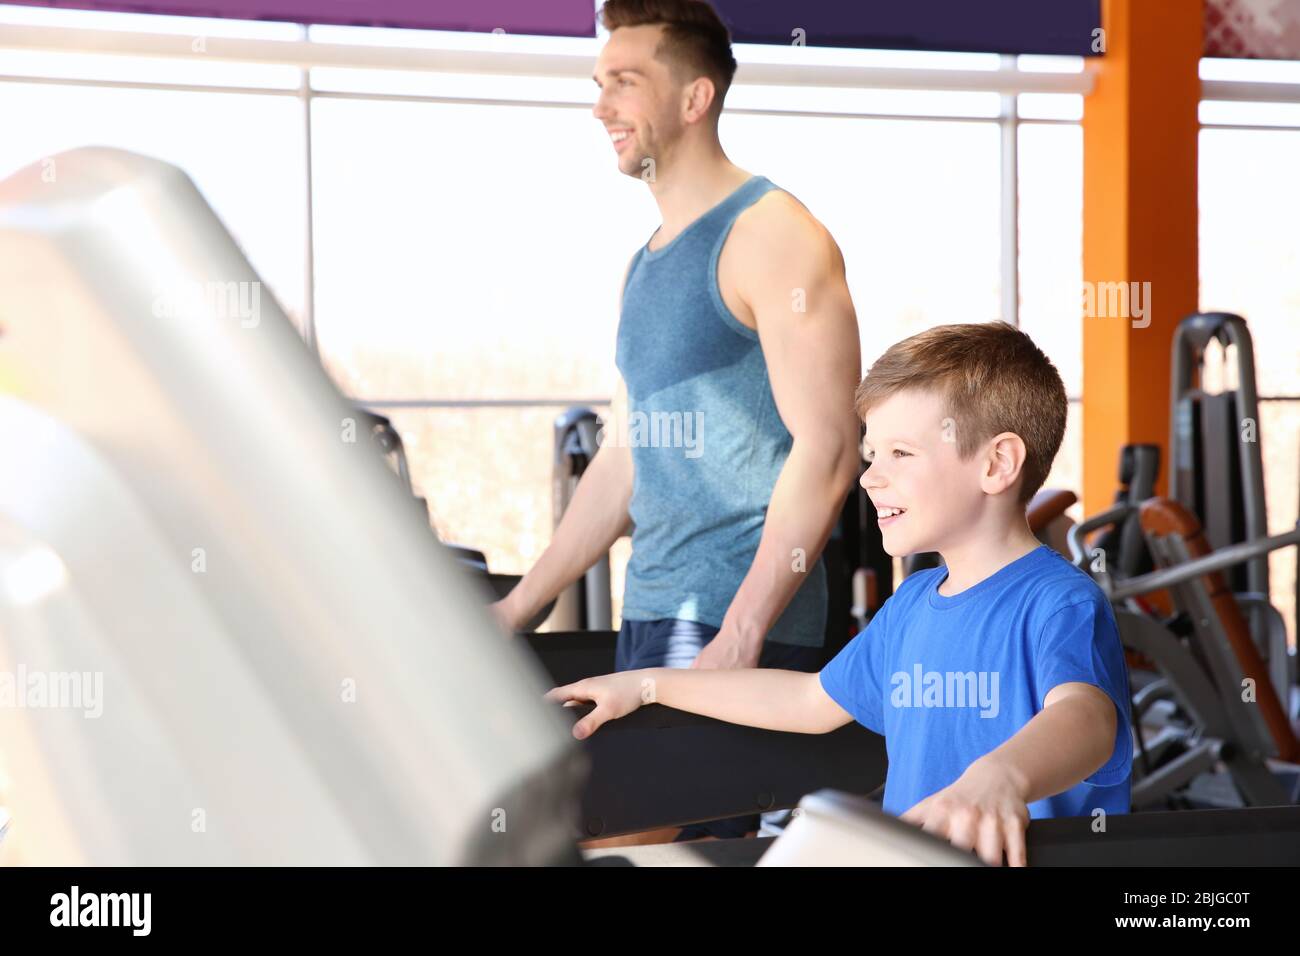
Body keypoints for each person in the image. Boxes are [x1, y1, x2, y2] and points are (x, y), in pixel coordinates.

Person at [546, 322, 1134, 866]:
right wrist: (647, 684)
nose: (870, 476)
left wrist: (1001, 776)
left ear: (997, 462)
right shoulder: (914, 602)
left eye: (901, 454)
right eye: (872, 454)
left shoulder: (1059, 602)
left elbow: (1086, 719)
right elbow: (809, 701)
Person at [492, 0, 862, 841]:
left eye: (625, 83)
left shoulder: (774, 235)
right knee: (641, 850)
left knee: (624, 842)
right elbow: (628, 457)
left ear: (695, 100)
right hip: (657, 607)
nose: (600, 107)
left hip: (736, 612)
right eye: (598, 83)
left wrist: (744, 630)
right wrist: (521, 605)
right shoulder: (646, 261)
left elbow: (831, 447)